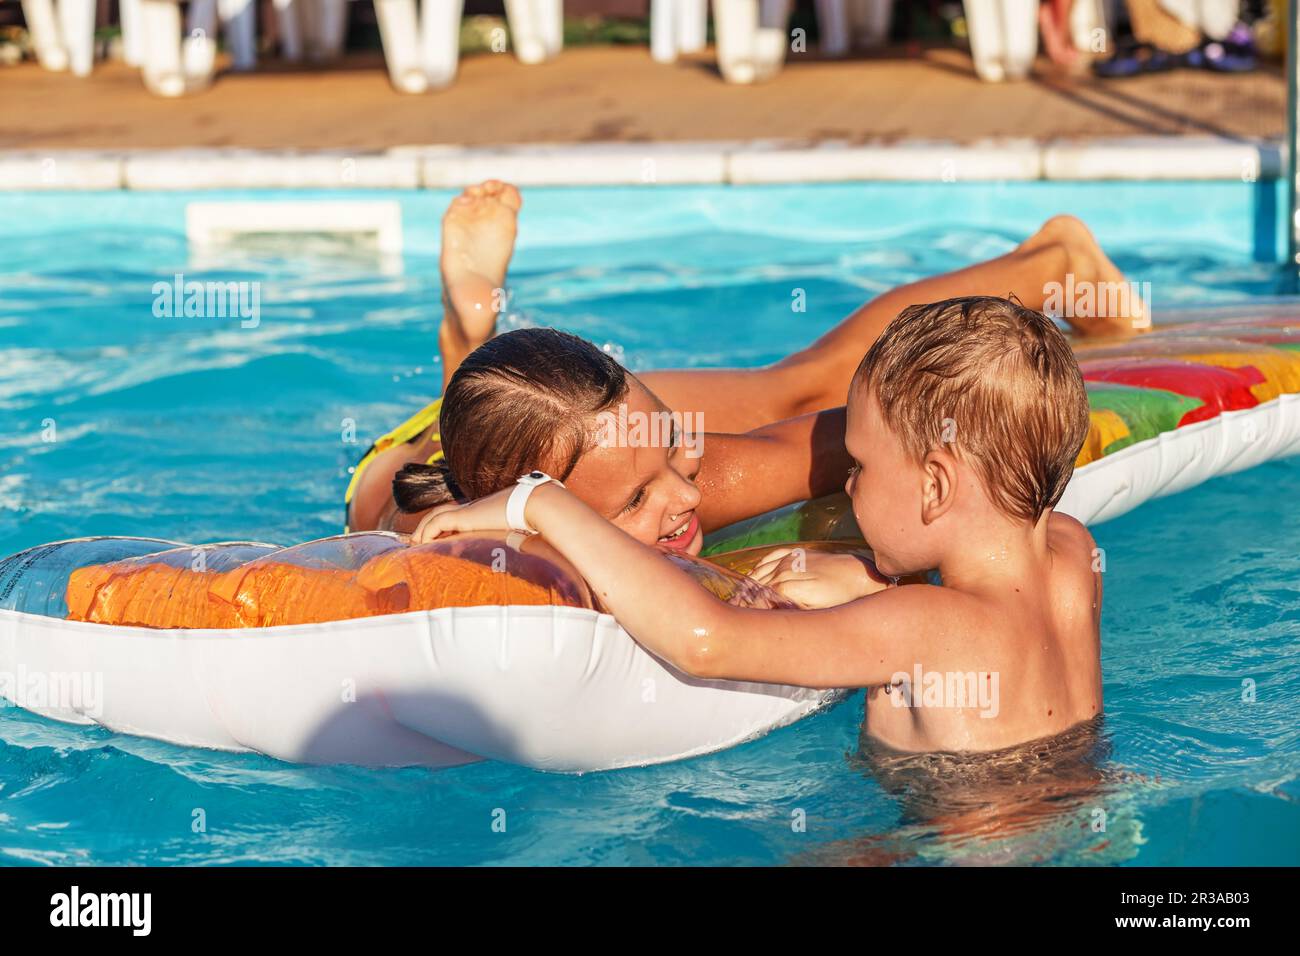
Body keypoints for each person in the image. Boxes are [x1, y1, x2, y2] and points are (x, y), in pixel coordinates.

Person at [410, 297, 1103, 754]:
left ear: (936, 485)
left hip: (950, 838)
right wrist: (874, 584)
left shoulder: (920, 625)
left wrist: (538, 502)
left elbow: (707, 642)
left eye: (858, 465)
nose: (848, 481)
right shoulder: (1073, 553)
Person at [346, 180, 1141, 536]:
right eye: (634, 505)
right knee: (492, 413)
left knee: (803, 388)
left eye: (674, 447)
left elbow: (847, 436)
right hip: (432, 461)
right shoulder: (459, 544)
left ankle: (1053, 267)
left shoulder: (660, 472)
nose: (682, 501)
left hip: (556, 421)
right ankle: (469, 339)